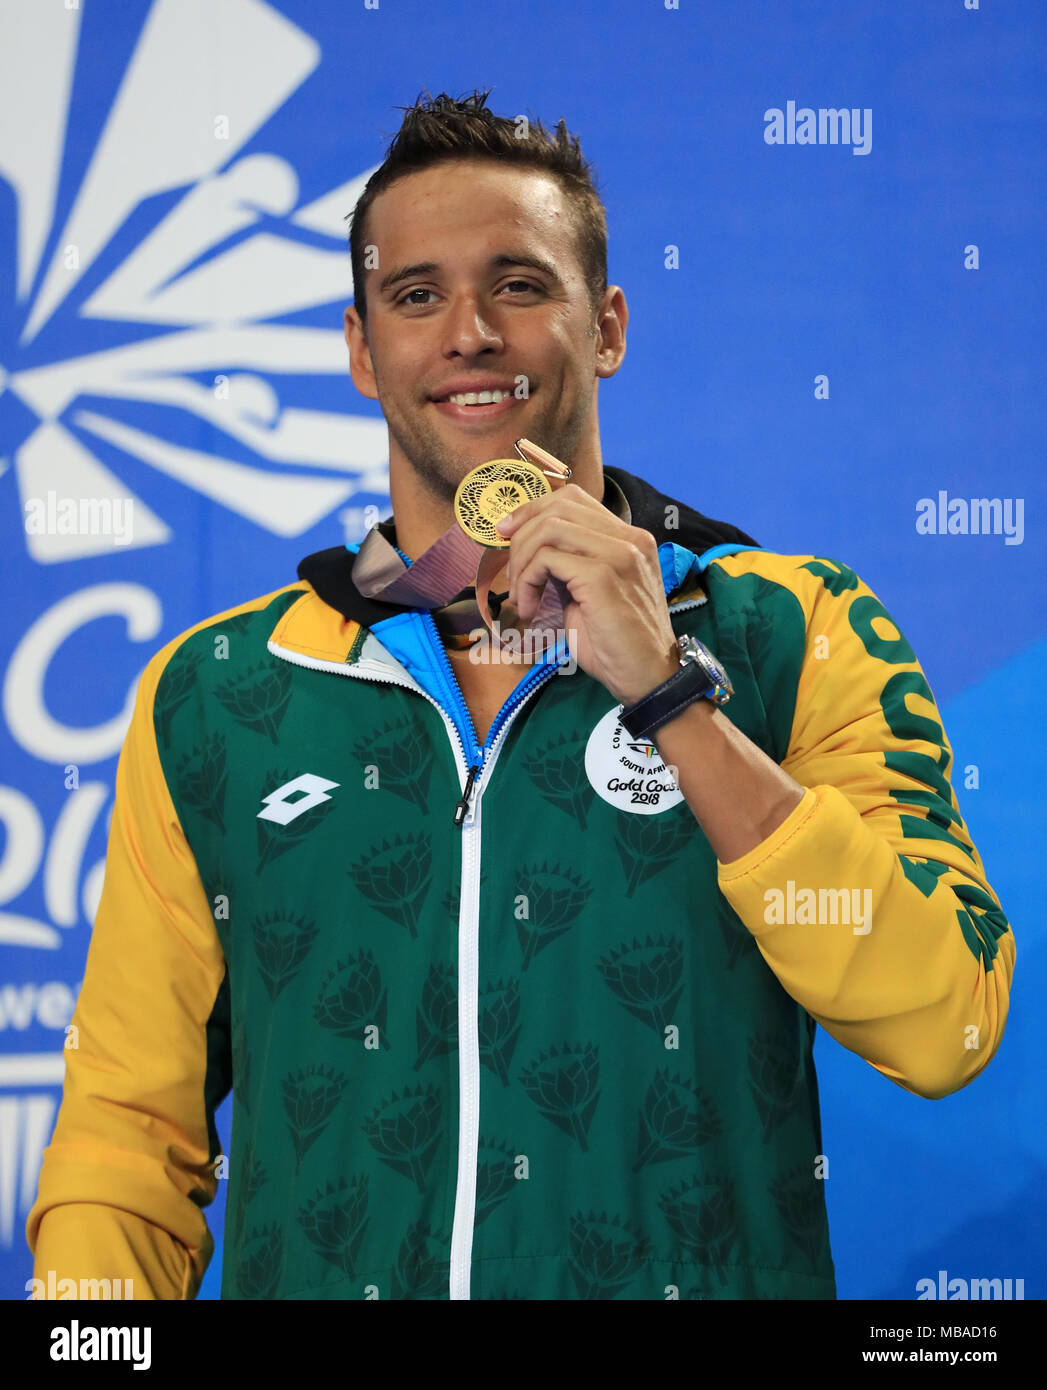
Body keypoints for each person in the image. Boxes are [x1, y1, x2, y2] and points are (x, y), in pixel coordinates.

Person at [27, 89, 1014, 1301]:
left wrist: (669, 692)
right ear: (359, 345)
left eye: (520, 284)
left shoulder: (790, 631)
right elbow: (127, 1139)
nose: (470, 334)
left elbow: (942, 1022)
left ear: (606, 327)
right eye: (417, 294)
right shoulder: (220, 691)